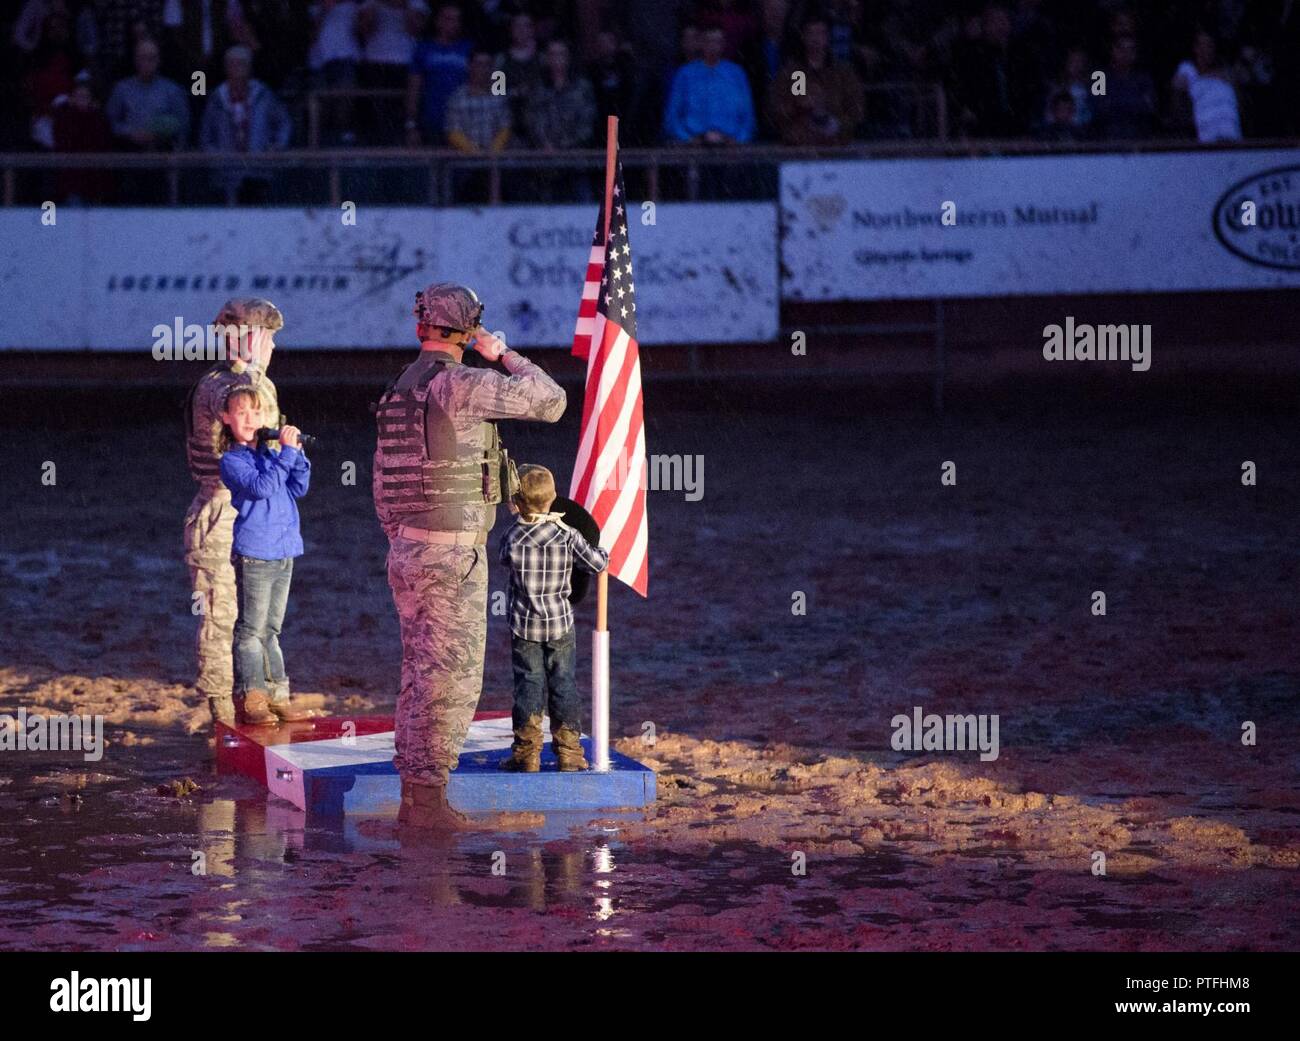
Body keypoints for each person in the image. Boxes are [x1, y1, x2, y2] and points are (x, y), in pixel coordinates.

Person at [372, 282, 566, 829]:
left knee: (418, 673)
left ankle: (417, 795)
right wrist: (500, 351)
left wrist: (403, 539)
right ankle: (428, 803)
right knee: (450, 679)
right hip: (449, 555)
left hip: (408, 549)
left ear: (420, 326)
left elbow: (381, 481)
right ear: (467, 329)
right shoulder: (460, 384)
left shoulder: (399, 387)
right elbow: (551, 401)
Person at [184, 298, 285, 727]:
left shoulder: (247, 381)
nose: (273, 347)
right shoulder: (226, 386)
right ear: (248, 337)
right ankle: (223, 716)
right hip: (221, 512)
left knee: (258, 614)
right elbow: (252, 426)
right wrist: (254, 370)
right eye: (268, 337)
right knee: (220, 616)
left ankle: (259, 697)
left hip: (250, 511)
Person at [497, 465, 608, 773]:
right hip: (560, 623)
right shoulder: (568, 535)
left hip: (523, 626)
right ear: (554, 498)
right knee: (564, 684)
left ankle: (526, 754)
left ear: (518, 503)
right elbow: (596, 563)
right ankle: (570, 754)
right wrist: (604, 552)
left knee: (527, 685)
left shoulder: (513, 537)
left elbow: (503, 557)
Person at [218, 386, 313, 725]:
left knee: (271, 629)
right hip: (256, 553)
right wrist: (286, 455)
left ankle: (278, 696)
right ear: (227, 419)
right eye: (241, 413)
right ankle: (252, 695)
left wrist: (297, 454)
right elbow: (261, 488)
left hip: (284, 551)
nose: (250, 419)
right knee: (251, 629)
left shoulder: (271, 456)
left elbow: (298, 487)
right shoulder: (232, 461)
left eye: (255, 413)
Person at [198, 44, 292, 204]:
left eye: (242, 63)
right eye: (233, 64)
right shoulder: (216, 98)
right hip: (226, 173)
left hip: (259, 170)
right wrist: (216, 156)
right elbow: (205, 135)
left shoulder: (264, 95)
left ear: (250, 67)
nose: (237, 68)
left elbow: (284, 124)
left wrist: (276, 146)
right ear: (226, 67)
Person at [663, 25, 755, 145]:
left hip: (731, 146)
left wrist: (739, 139)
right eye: (709, 41)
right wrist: (687, 139)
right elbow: (672, 117)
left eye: (717, 41)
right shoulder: (685, 74)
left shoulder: (736, 74)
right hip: (692, 147)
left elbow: (748, 116)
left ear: (723, 44)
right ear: (701, 43)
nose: (713, 46)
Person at [1171, 31, 1242, 143]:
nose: (1206, 50)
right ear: (1195, 48)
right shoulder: (1187, 70)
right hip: (1207, 137)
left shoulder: (1226, 73)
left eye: (1209, 45)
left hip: (1231, 134)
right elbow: (1178, 93)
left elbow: (1238, 97)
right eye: (1202, 45)